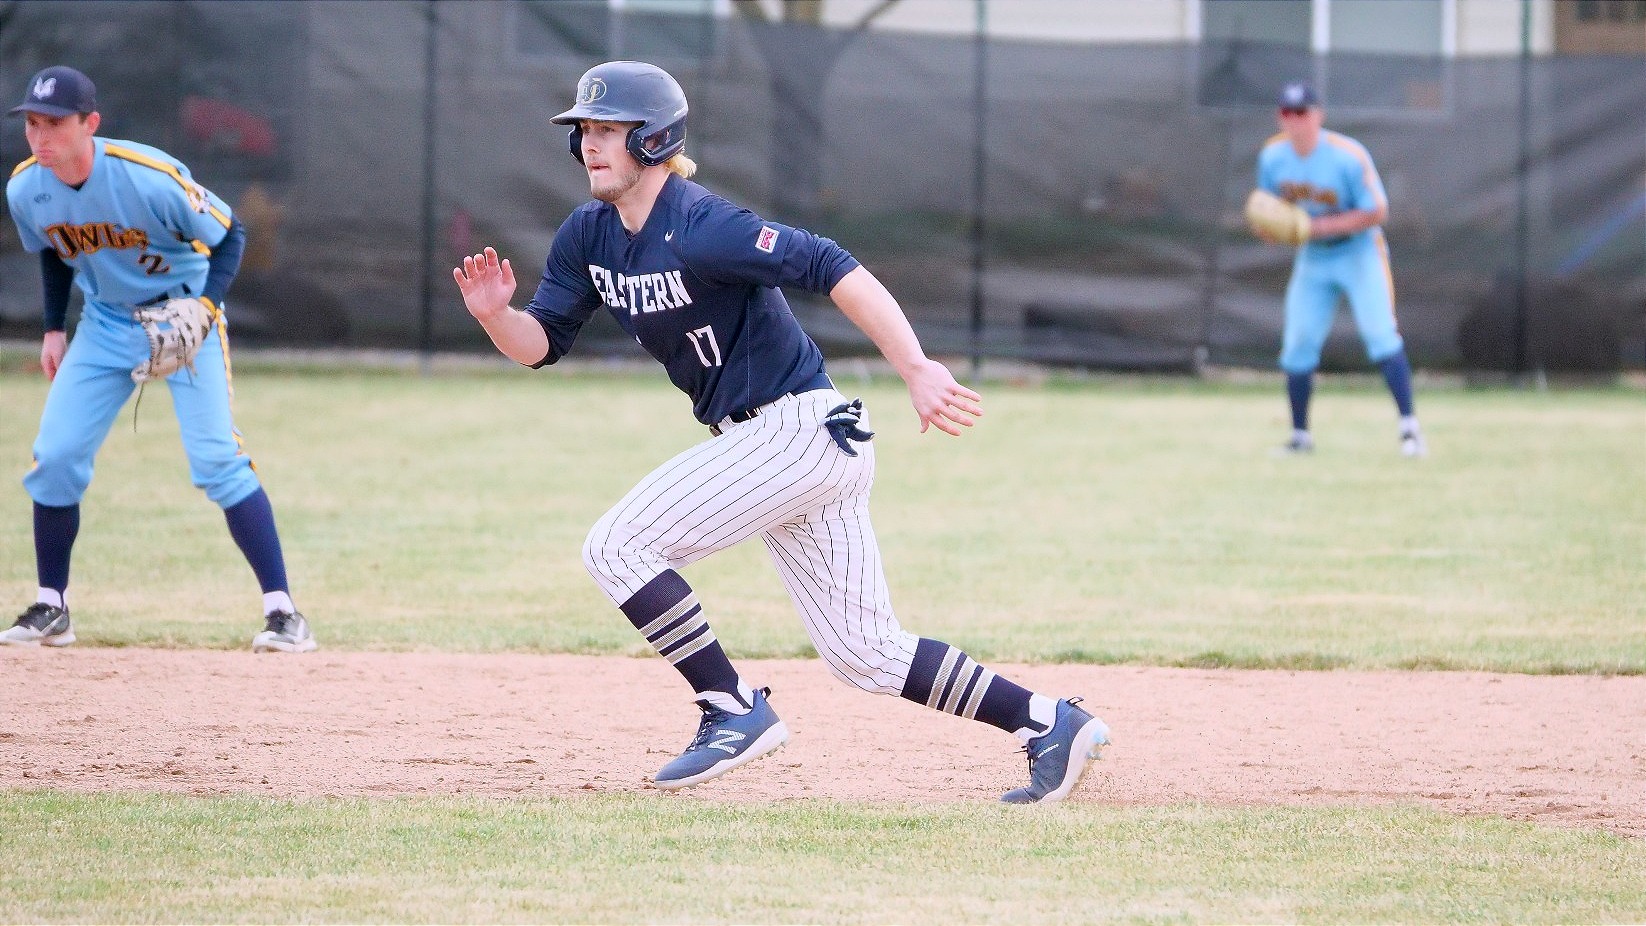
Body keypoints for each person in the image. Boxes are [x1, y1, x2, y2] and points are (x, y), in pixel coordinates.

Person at [452, 61, 1108, 803]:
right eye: (585, 132)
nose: (591, 144)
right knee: (867, 654)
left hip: (793, 431)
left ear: (656, 137)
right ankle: (1049, 722)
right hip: (786, 447)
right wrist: (495, 317)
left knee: (617, 545)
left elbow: (830, 263)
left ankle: (732, 708)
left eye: (609, 129)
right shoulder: (589, 235)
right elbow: (541, 344)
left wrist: (917, 368)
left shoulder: (703, 225)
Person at [2, 66, 315, 653]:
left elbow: (230, 234)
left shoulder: (148, 177)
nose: (41, 136)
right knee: (57, 455)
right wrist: (51, 329)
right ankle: (52, 605)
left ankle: (284, 613)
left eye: (56, 123)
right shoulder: (27, 188)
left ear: (90, 123)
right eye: (33, 124)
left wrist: (203, 309)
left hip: (184, 321)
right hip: (104, 325)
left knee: (218, 461)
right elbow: (52, 249)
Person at [1256, 81, 1426, 457]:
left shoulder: (1347, 156)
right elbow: (1269, 211)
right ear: (1279, 118)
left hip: (1359, 253)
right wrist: (1272, 229)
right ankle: (1300, 436)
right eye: (1287, 113)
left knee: (1380, 335)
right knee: (1298, 345)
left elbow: (1376, 211)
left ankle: (1409, 429)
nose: (1295, 121)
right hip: (1314, 259)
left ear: (1318, 115)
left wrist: (1317, 228)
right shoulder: (1272, 157)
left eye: (1302, 113)